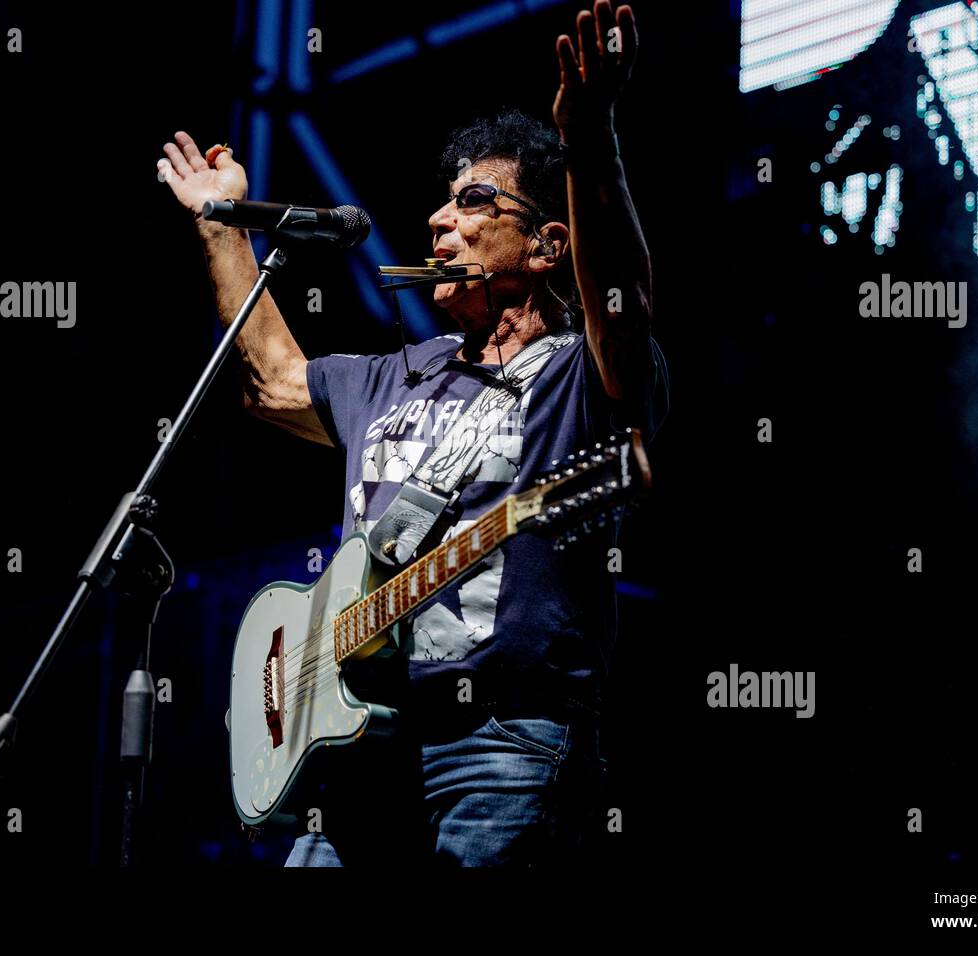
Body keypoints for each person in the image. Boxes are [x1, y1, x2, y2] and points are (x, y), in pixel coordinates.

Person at [156, 1, 666, 866]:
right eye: (443, 202)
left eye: (474, 202)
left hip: (501, 745)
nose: (439, 221)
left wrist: (589, 141)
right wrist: (220, 223)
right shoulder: (395, 373)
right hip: (356, 750)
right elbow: (271, 378)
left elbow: (621, 302)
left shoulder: (578, 375)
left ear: (546, 247)